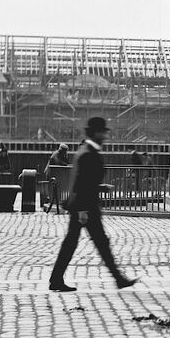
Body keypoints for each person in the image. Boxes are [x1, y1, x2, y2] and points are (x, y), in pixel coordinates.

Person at [49, 117, 136, 293]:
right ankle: (118, 278)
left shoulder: (86, 150)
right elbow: (81, 182)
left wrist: (101, 187)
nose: (105, 136)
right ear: (96, 133)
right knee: (97, 243)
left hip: (83, 205)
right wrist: (82, 209)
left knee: (78, 243)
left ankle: (56, 279)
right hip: (85, 207)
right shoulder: (89, 153)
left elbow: (85, 180)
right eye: (103, 132)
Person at [43, 143, 69, 214]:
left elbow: (66, 162)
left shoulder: (62, 155)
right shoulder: (55, 154)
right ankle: (52, 201)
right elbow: (57, 161)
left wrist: (66, 157)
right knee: (52, 189)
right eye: (65, 151)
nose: (65, 152)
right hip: (51, 174)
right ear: (61, 150)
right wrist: (65, 163)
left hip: (57, 175)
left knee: (57, 189)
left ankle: (56, 202)